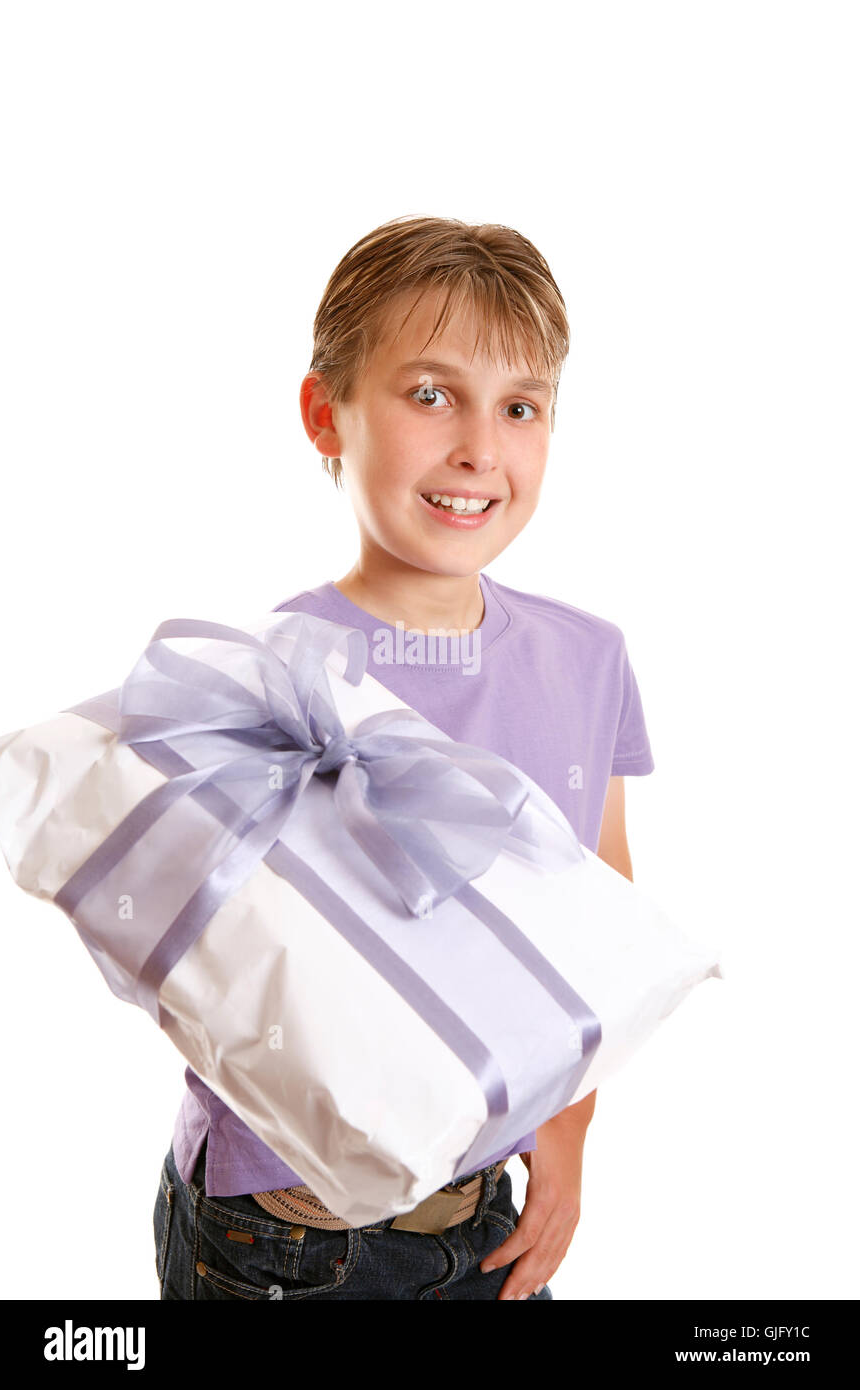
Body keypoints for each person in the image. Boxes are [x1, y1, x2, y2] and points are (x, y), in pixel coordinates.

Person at [153, 214, 654, 1300]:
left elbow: (598, 938)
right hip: (287, 1229)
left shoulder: (586, 661)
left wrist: (567, 1129)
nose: (478, 447)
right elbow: (206, 961)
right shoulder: (276, 671)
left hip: (479, 1214)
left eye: (518, 407)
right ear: (323, 413)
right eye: (429, 394)